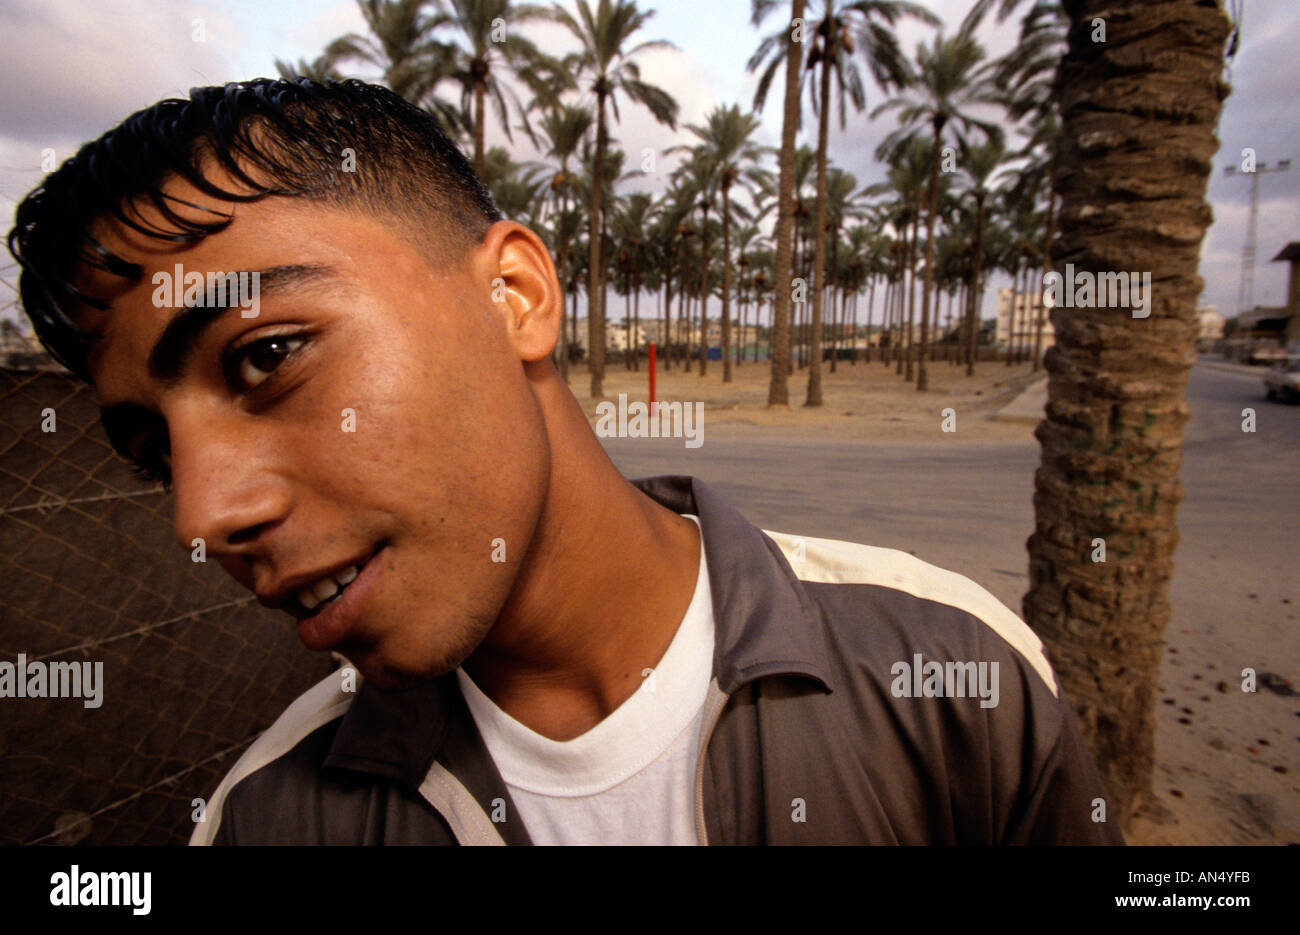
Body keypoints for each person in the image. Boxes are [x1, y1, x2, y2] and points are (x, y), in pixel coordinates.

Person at [8, 78, 1121, 845]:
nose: (203, 514)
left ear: (517, 297)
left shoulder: (945, 674)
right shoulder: (265, 819)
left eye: (268, 355)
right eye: (155, 448)